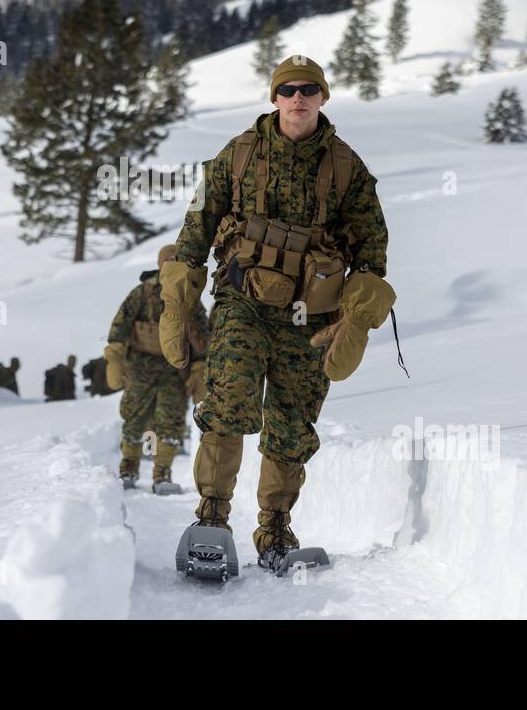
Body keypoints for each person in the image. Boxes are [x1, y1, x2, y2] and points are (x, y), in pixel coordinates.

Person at [157, 54, 395, 569]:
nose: (298, 98)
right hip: (241, 299)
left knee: (292, 422)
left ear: (323, 97)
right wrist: (179, 296)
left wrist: (355, 318)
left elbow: (372, 247)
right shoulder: (238, 154)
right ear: (274, 97)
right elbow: (198, 224)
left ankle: (275, 533)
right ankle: (211, 522)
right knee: (228, 402)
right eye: (288, 89)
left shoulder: (348, 168)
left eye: (309, 89)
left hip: (310, 316)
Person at [104, 244, 209, 491]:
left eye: (175, 260)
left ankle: (162, 474)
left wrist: (199, 367)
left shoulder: (189, 296)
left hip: (175, 371)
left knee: (170, 421)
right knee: (135, 417)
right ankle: (128, 469)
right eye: (167, 260)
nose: (170, 264)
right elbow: (120, 324)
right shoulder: (142, 293)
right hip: (140, 368)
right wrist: (115, 354)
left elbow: (202, 337)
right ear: (160, 263)